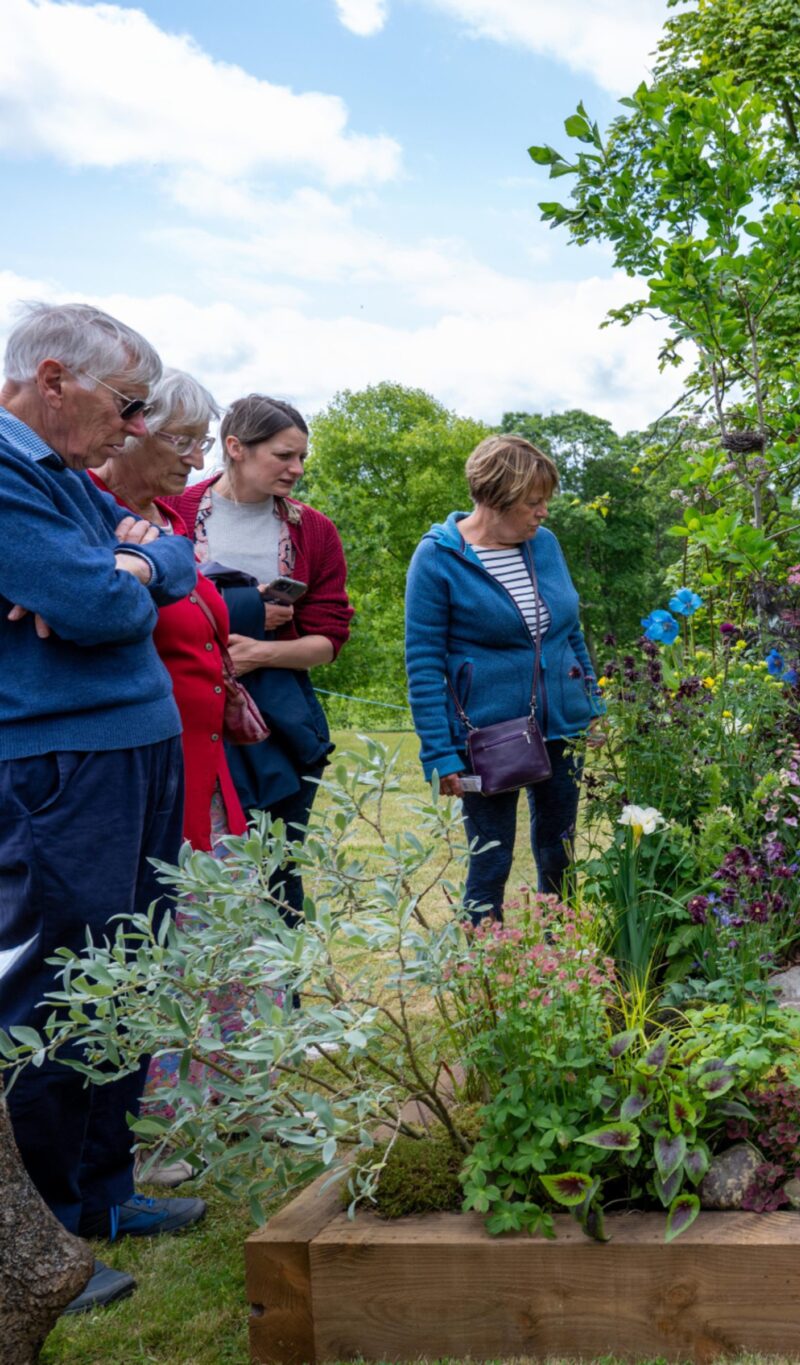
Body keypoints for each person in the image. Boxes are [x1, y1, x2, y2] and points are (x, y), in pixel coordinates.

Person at [0, 302, 207, 1315]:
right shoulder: (8, 473)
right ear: (53, 379)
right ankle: (41, 1232)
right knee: (61, 982)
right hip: (60, 762)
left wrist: (136, 559)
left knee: (131, 972)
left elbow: (171, 560)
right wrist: (122, 570)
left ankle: (105, 1190)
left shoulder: (62, 477)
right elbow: (97, 605)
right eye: (125, 405)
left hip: (132, 746)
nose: (133, 429)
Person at [95, 370, 267, 1181]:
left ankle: (228, 1100)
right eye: (182, 440)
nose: (196, 458)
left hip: (207, 764)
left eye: (201, 442)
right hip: (147, 770)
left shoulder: (167, 524)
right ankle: (149, 1130)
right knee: (160, 950)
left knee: (224, 939)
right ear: (129, 429)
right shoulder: (95, 513)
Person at [167, 396, 353, 920]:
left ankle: (286, 971)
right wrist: (246, 610)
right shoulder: (173, 510)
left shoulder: (314, 530)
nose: (297, 469)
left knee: (279, 870)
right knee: (189, 867)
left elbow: (329, 639)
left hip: (278, 721)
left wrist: (259, 653)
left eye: (302, 458)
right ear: (236, 447)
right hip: (186, 716)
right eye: (283, 455)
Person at [404, 435, 600, 922]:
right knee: (490, 861)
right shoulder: (437, 558)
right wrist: (439, 753)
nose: (543, 513)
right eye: (534, 502)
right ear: (497, 498)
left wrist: (591, 702)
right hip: (488, 738)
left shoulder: (544, 545)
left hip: (562, 728)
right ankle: (486, 959)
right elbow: (423, 663)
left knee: (559, 853)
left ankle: (563, 949)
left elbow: (569, 631)